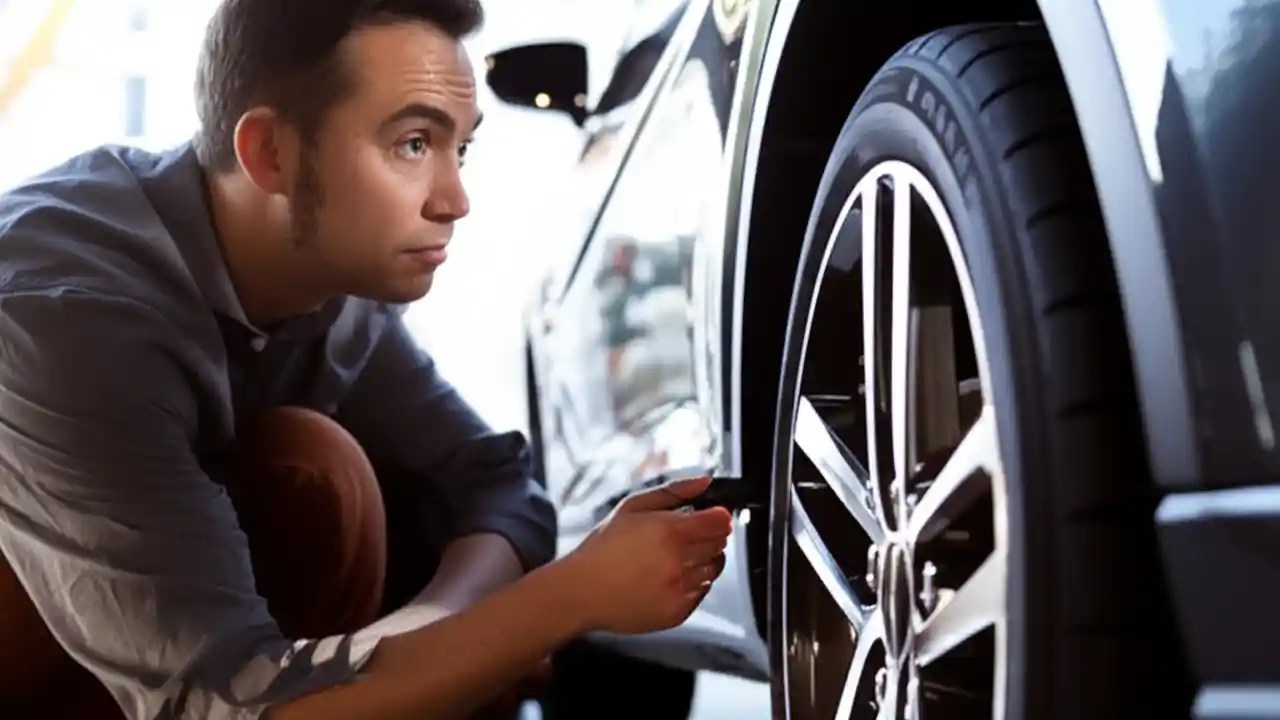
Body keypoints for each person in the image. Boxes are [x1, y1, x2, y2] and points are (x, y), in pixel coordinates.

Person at [0, 1, 734, 718]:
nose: (455, 198)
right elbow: (218, 702)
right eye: (413, 143)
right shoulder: (68, 322)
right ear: (271, 154)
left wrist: (430, 629)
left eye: (461, 149)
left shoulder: (332, 291)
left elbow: (495, 484)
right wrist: (572, 597)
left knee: (363, 485)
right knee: (318, 470)